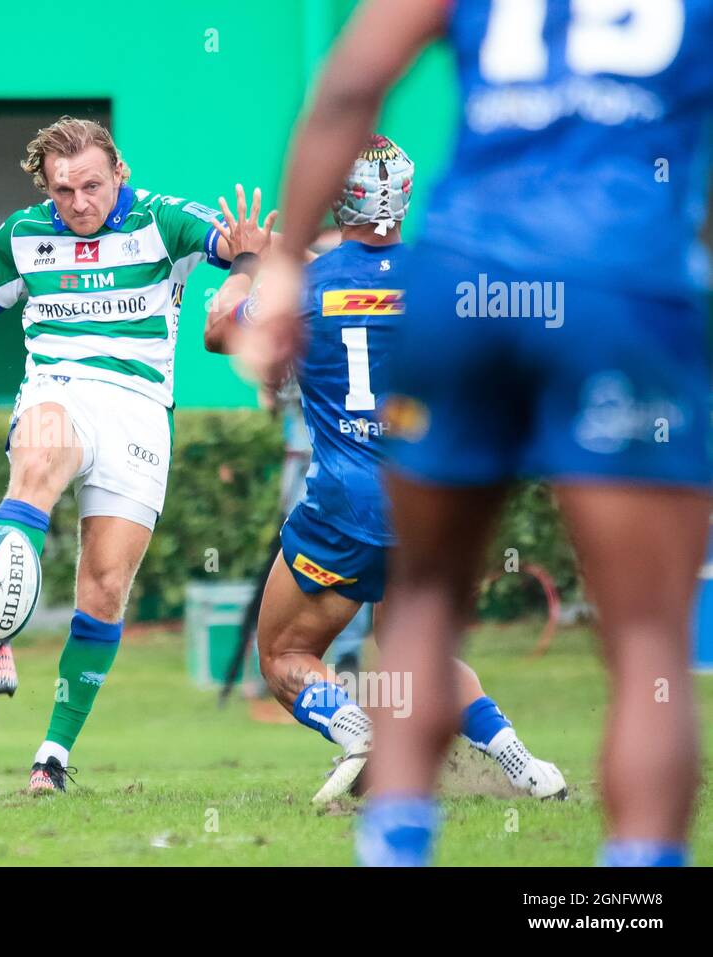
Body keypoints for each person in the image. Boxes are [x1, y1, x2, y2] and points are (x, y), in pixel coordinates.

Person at [246, 0, 712, 865]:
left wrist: (274, 269)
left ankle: (394, 841)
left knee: (420, 601)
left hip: (468, 281)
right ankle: (638, 878)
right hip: (623, 287)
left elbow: (350, 84)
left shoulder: (336, 271)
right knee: (649, 636)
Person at [0, 116, 265, 791]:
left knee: (105, 587)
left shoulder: (162, 221)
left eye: (91, 185)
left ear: (118, 172)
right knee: (40, 453)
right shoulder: (24, 235)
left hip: (139, 412)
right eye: (63, 190)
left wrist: (249, 254)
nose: (79, 201)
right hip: (58, 387)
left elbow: (235, 246)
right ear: (46, 186)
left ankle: (52, 756)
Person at [208, 139, 563, 805]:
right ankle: (525, 765)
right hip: (431, 499)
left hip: (346, 506)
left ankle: (354, 728)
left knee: (283, 655)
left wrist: (252, 260)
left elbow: (223, 332)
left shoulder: (305, 285)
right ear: (404, 194)